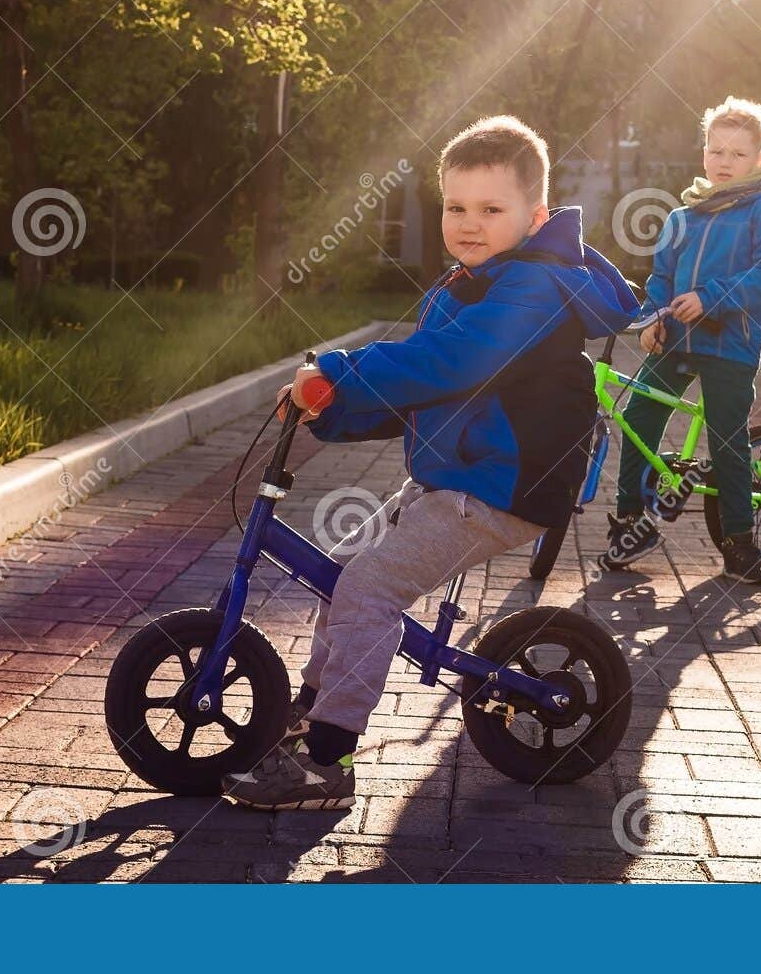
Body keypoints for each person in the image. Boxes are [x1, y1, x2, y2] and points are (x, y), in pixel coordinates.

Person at [222, 114, 639, 810]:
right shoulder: (466, 285)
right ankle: (311, 708)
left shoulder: (531, 288)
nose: (468, 223)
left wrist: (338, 366)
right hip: (459, 477)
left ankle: (329, 760)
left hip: (504, 487)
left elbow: (450, 361)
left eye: (490, 209)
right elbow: (418, 392)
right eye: (454, 206)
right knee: (343, 575)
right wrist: (331, 407)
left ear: (534, 217)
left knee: (369, 588)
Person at [599, 95, 761, 584]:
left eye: (737, 154)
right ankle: (631, 521)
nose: (724, 162)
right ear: (704, 153)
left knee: (727, 437)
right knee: (640, 413)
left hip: (730, 344)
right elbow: (661, 279)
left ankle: (739, 542)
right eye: (716, 151)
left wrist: (712, 298)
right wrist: (653, 320)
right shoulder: (682, 216)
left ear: (759, 160)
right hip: (676, 341)